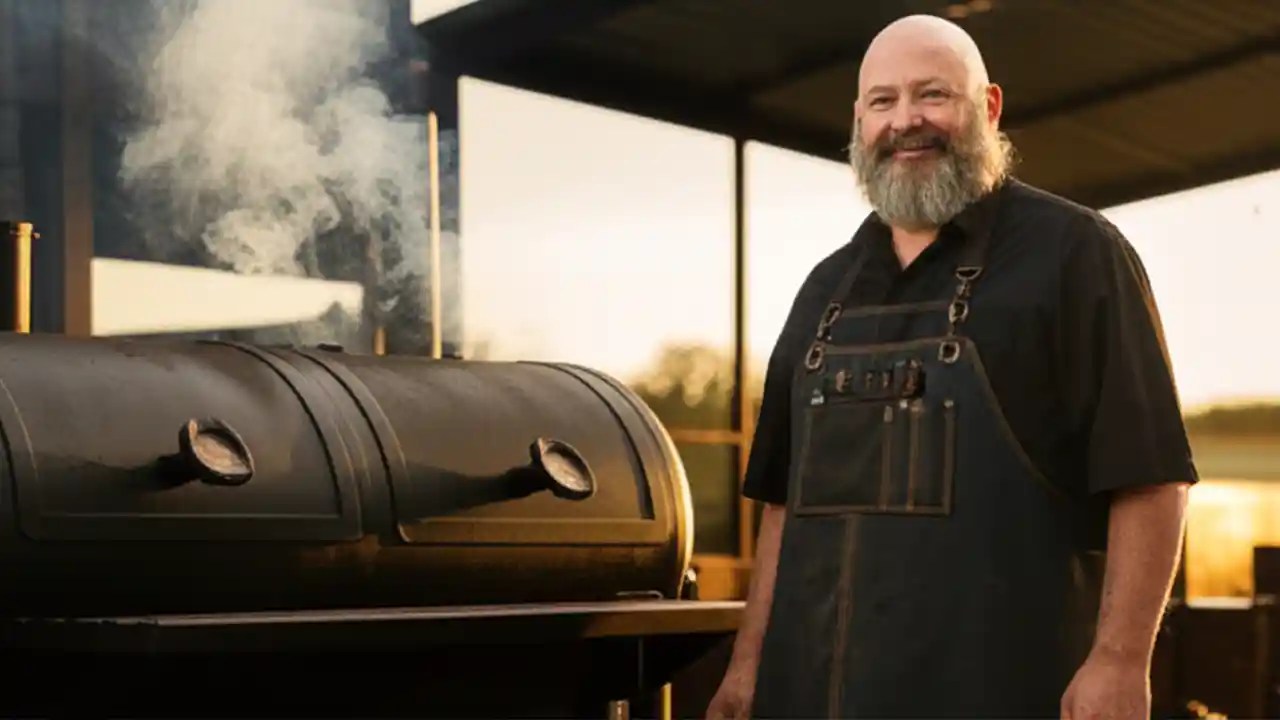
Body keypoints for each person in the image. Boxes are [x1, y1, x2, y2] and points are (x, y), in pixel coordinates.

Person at [705, 13, 1197, 720]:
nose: (907, 121)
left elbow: (1151, 477)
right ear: (859, 121)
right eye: (883, 102)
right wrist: (748, 665)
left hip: (1005, 691)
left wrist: (1119, 661)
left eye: (932, 95)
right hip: (811, 696)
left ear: (988, 107)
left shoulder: (1075, 255)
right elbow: (784, 505)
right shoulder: (825, 289)